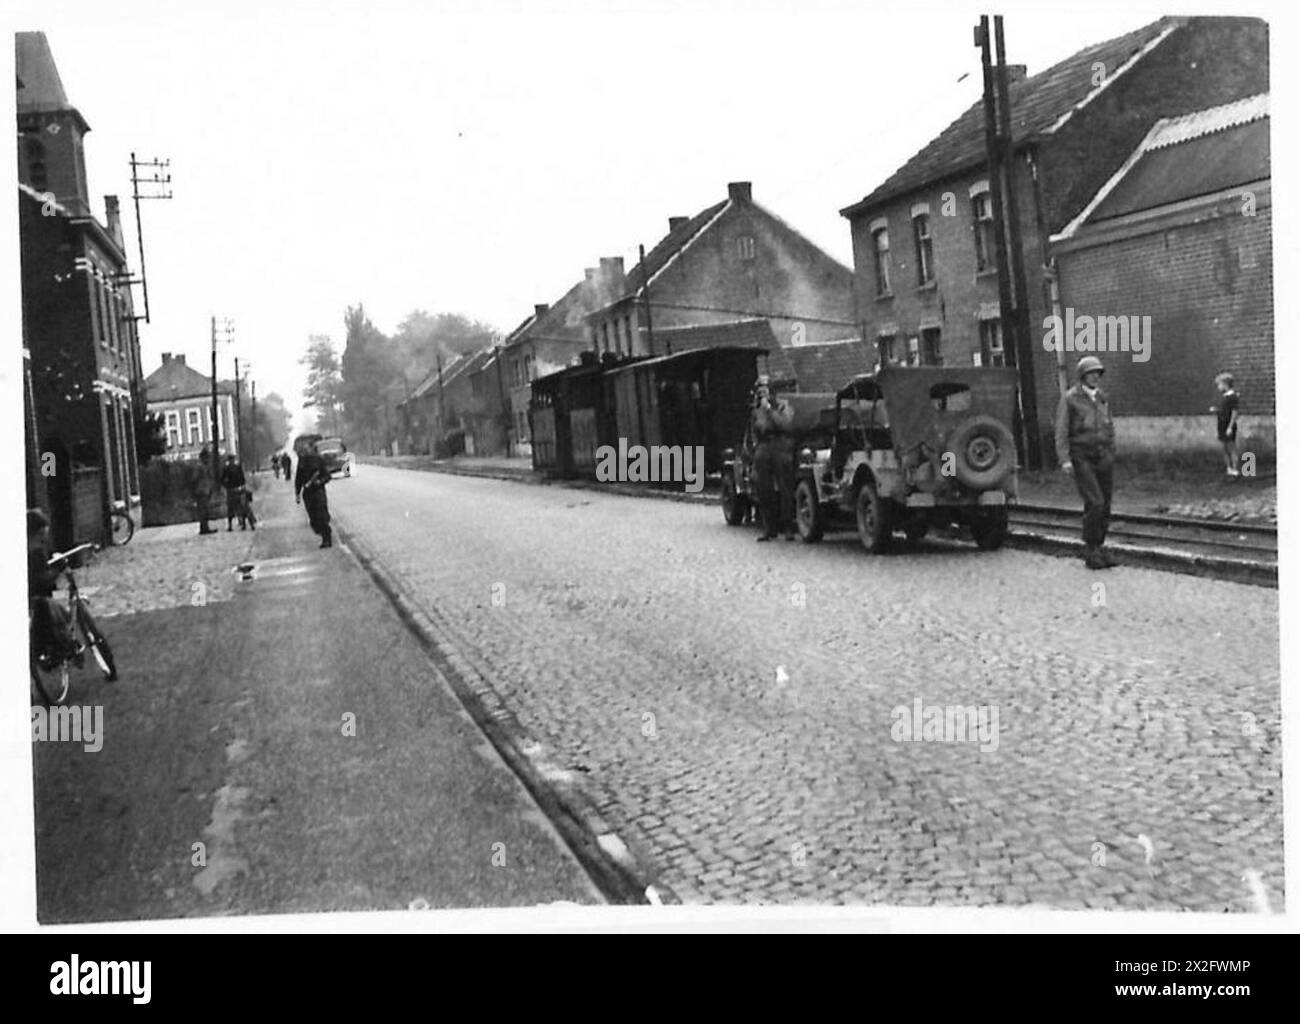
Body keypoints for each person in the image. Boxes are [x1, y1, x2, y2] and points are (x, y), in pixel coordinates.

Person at [1055, 355, 1117, 570]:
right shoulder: (1070, 399)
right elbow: (1061, 430)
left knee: (1106, 504)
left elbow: (1109, 424)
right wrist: (1065, 459)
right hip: (1082, 456)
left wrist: (1111, 448)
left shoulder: (1102, 398)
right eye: (1091, 374)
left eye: (1097, 373)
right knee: (1095, 502)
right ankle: (1091, 550)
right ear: (1082, 376)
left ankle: (1100, 547)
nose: (1095, 378)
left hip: (1103, 456)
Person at [28, 508, 78, 663]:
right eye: (41, 537)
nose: (43, 540)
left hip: (38, 598)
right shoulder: (33, 554)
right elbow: (40, 579)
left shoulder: (36, 550)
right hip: (38, 600)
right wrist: (57, 571)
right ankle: (67, 649)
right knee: (59, 616)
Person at [751, 375, 796, 542]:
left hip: (780, 444)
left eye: (765, 389)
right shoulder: (756, 410)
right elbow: (754, 430)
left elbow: (784, 424)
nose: (762, 393)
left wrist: (769, 409)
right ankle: (769, 527)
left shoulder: (782, 405)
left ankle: (787, 527)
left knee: (785, 488)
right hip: (764, 446)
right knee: (764, 488)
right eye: (759, 390)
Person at [295, 439, 333, 548]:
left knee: (322, 516)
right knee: (313, 520)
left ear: (312, 448)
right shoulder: (301, 461)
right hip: (307, 493)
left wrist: (319, 481)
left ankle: (327, 538)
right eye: (304, 449)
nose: (306, 450)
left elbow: (327, 476)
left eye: (307, 448)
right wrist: (297, 493)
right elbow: (298, 478)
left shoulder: (318, 459)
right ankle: (322, 533)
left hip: (318, 491)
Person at [1211, 372, 1241, 478]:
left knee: (1231, 447)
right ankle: (1229, 468)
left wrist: (1230, 427)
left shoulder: (1233, 397)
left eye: (1219, 385)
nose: (1219, 387)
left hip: (1228, 426)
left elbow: (1234, 413)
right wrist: (1217, 411)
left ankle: (1235, 469)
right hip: (1221, 425)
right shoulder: (1224, 397)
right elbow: (1224, 411)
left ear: (1225, 384)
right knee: (1224, 448)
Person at [220, 454, 253, 531]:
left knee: (231, 508)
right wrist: (242, 486)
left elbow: (221, 479)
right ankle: (244, 524)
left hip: (231, 490)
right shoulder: (237, 467)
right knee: (243, 507)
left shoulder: (226, 468)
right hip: (238, 489)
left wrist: (226, 485)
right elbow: (242, 479)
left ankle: (231, 525)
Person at [191, 447, 216, 535]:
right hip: (201, 492)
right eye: (207, 457)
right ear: (203, 457)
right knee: (203, 511)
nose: (208, 459)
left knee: (206, 510)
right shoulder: (199, 466)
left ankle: (205, 527)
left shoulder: (205, 466)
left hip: (205, 491)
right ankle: (204, 528)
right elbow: (194, 479)